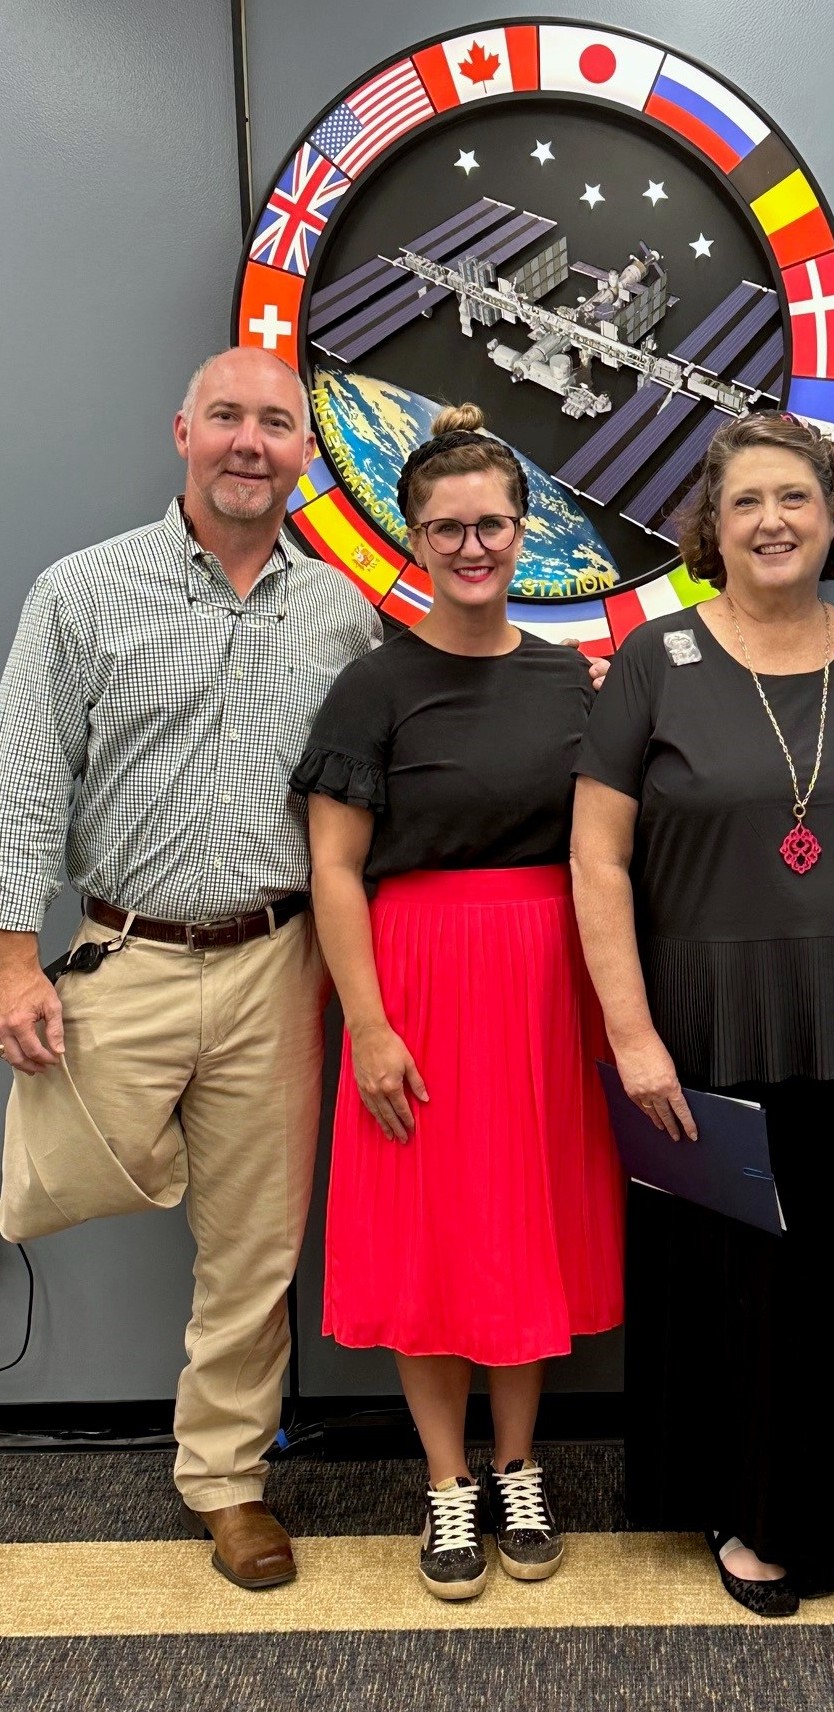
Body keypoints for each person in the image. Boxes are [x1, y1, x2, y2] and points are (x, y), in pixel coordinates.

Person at [0, 347, 380, 1587]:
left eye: (276, 424)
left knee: (256, 1245)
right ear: (183, 430)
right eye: (229, 417)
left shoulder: (340, 613)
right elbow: (22, 782)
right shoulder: (82, 591)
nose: (250, 443)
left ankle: (226, 1480)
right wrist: (14, 960)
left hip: (281, 962)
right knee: (56, 1175)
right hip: (125, 957)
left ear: (303, 455)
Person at [571, 411, 834, 1617]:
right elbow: (598, 859)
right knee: (738, 1281)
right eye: (746, 503)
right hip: (708, 1026)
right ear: (709, 529)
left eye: (797, 498)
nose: (773, 520)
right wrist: (630, 1032)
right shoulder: (652, 658)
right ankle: (752, 1507)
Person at [291, 405, 625, 1602]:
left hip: (547, 983)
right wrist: (367, 1021)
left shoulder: (578, 680)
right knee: (435, 1232)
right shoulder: (371, 685)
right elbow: (335, 868)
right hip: (417, 978)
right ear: (412, 538)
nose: (472, 545)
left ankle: (519, 1463)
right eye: (448, 528)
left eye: (493, 523)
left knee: (523, 1221)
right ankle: (445, 1483)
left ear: (526, 531)